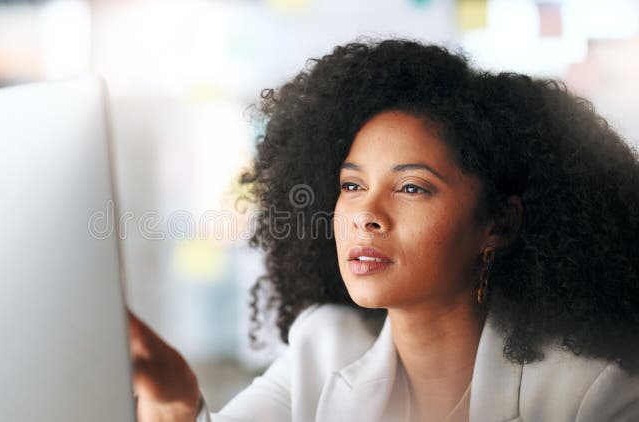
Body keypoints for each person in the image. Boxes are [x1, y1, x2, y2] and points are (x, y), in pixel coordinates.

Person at [127, 38, 639, 421]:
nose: (366, 214)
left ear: (498, 224)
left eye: (412, 188)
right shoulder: (322, 349)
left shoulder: (593, 396)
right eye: (352, 185)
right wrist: (176, 406)